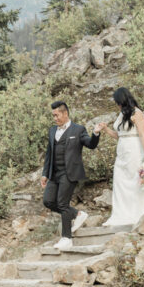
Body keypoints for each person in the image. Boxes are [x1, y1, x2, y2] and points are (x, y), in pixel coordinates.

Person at [41, 100, 101, 250]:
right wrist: (45, 174)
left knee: (62, 203)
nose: (55, 118)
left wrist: (95, 133)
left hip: (69, 173)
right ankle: (77, 214)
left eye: (57, 115)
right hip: (54, 174)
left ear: (65, 113)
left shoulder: (78, 129)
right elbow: (49, 154)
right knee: (48, 201)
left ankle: (67, 238)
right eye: (53, 115)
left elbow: (91, 144)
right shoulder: (52, 131)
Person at [97, 86, 144, 227]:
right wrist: (106, 129)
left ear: (124, 100)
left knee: (134, 181)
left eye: (119, 102)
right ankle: (122, 213)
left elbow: (142, 135)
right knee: (119, 181)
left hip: (134, 151)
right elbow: (119, 135)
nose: (118, 105)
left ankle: (137, 212)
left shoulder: (137, 113)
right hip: (121, 153)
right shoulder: (122, 114)